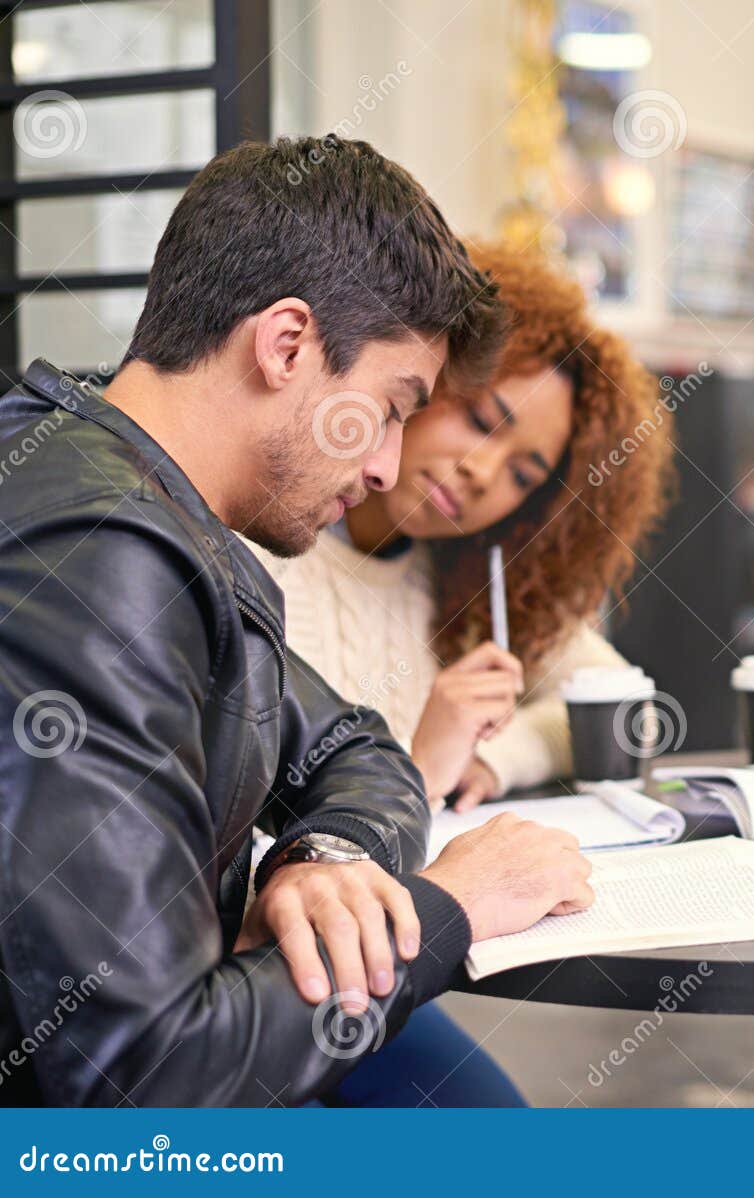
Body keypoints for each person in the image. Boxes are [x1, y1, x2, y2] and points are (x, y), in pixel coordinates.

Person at [0, 136, 594, 1107]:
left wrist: (323, 861)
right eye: (394, 406)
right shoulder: (101, 561)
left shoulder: (161, 510)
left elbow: (360, 752)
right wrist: (452, 911)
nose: (386, 469)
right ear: (284, 345)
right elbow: (148, 1083)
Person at [253, 241, 671, 811]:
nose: (483, 472)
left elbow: (631, 712)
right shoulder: (260, 551)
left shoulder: (469, 589)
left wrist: (495, 757)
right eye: (480, 420)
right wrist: (420, 765)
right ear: (427, 372)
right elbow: (253, 832)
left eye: (523, 476)